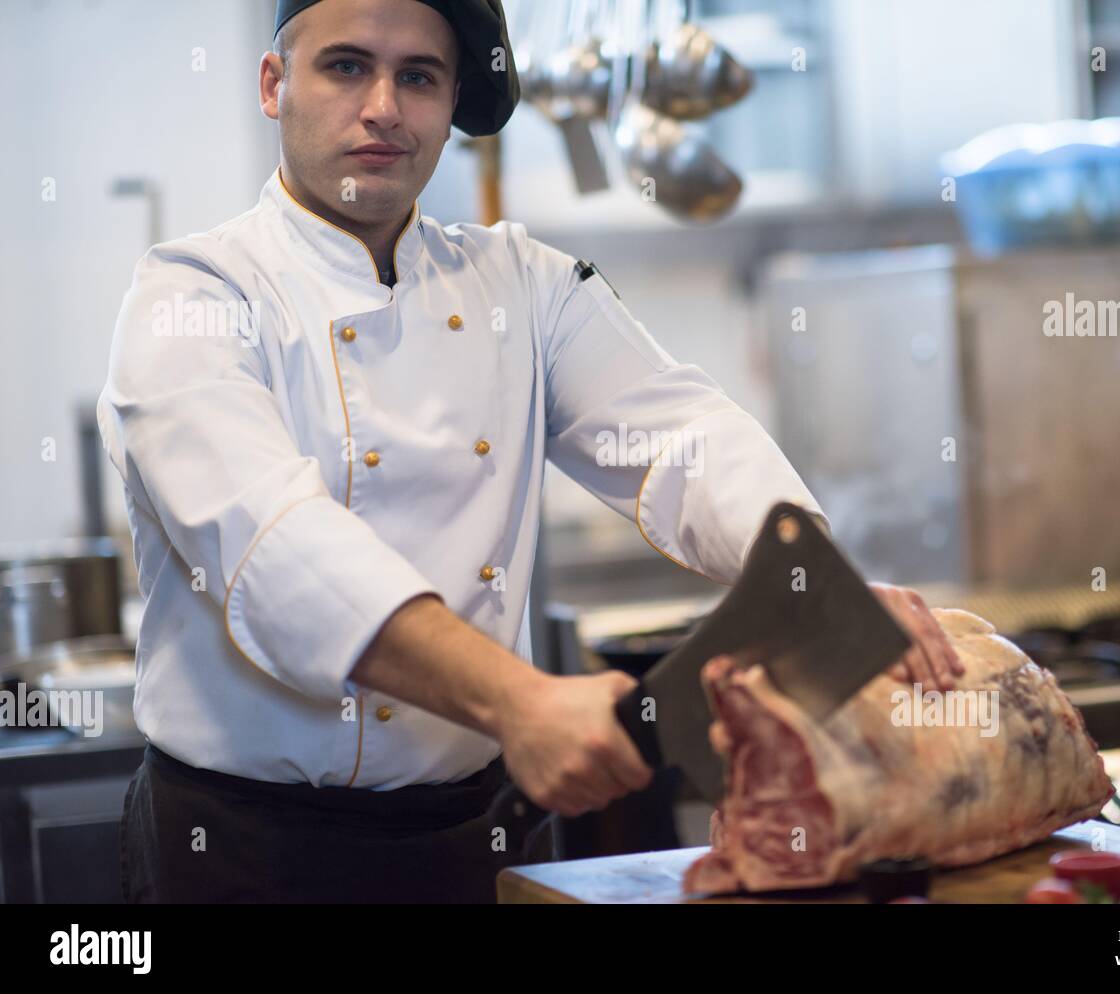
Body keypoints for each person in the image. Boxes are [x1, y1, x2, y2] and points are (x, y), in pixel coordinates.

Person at [98, 0, 962, 903]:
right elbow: (270, 543)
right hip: (242, 851)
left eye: (419, 76)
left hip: (470, 838)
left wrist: (811, 579)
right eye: (347, 66)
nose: (385, 106)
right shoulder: (191, 295)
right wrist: (518, 700)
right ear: (275, 85)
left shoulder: (521, 282)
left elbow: (680, 436)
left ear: (449, 103)